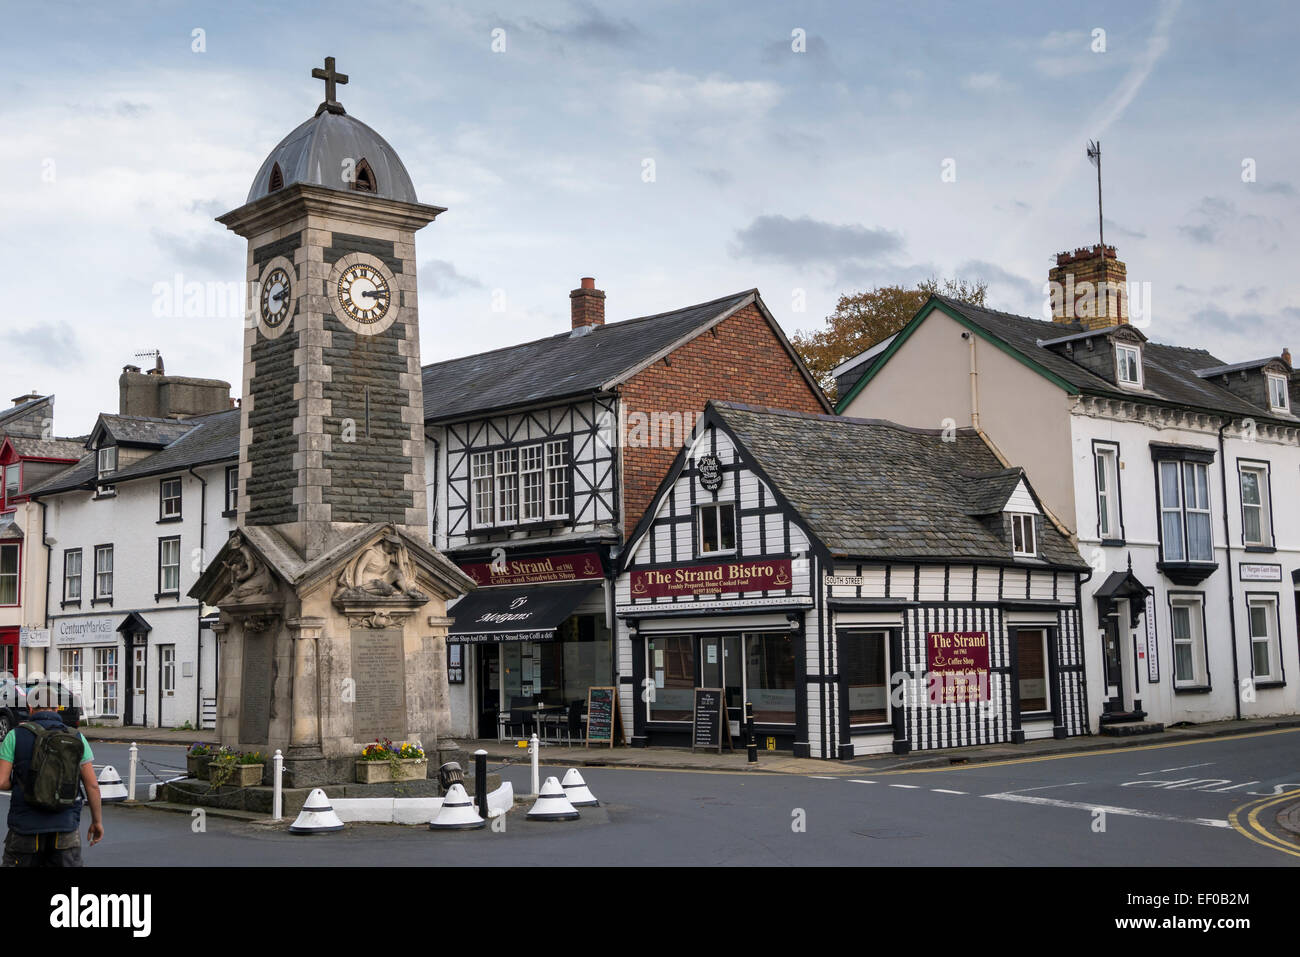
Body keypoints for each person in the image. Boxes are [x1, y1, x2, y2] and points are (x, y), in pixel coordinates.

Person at [0, 688, 103, 866]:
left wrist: (17, 782)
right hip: (65, 828)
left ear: (30, 707)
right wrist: (97, 822)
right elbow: (92, 785)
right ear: (57, 708)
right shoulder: (76, 737)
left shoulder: (14, 736)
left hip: (25, 828)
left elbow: (2, 781)